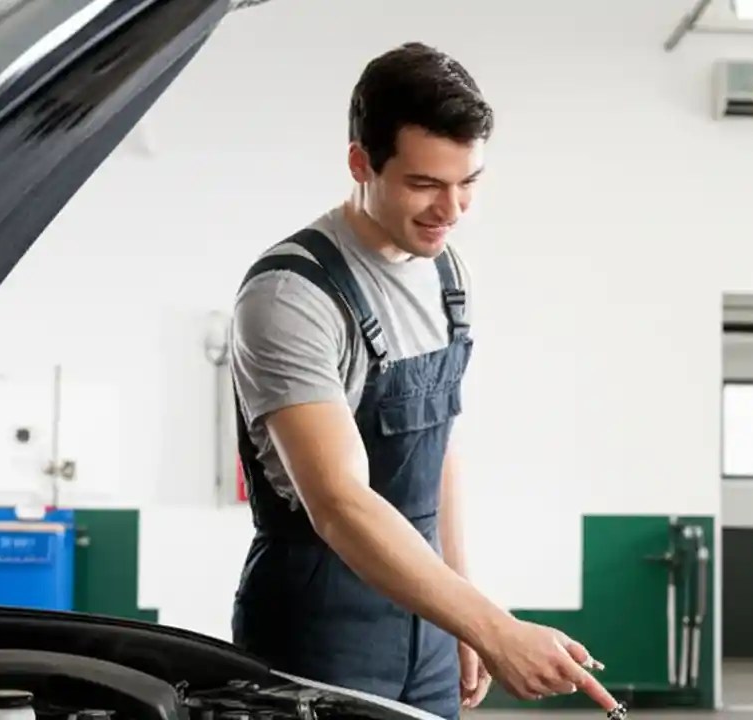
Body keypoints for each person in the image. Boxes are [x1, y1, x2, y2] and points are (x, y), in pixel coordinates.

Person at [227, 41, 617, 719]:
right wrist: (495, 629)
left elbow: (440, 457)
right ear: (360, 163)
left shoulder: (445, 273)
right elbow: (341, 504)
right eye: (425, 184)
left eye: (469, 181)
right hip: (321, 623)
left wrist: (463, 610)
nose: (453, 209)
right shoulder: (292, 295)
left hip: (428, 615)